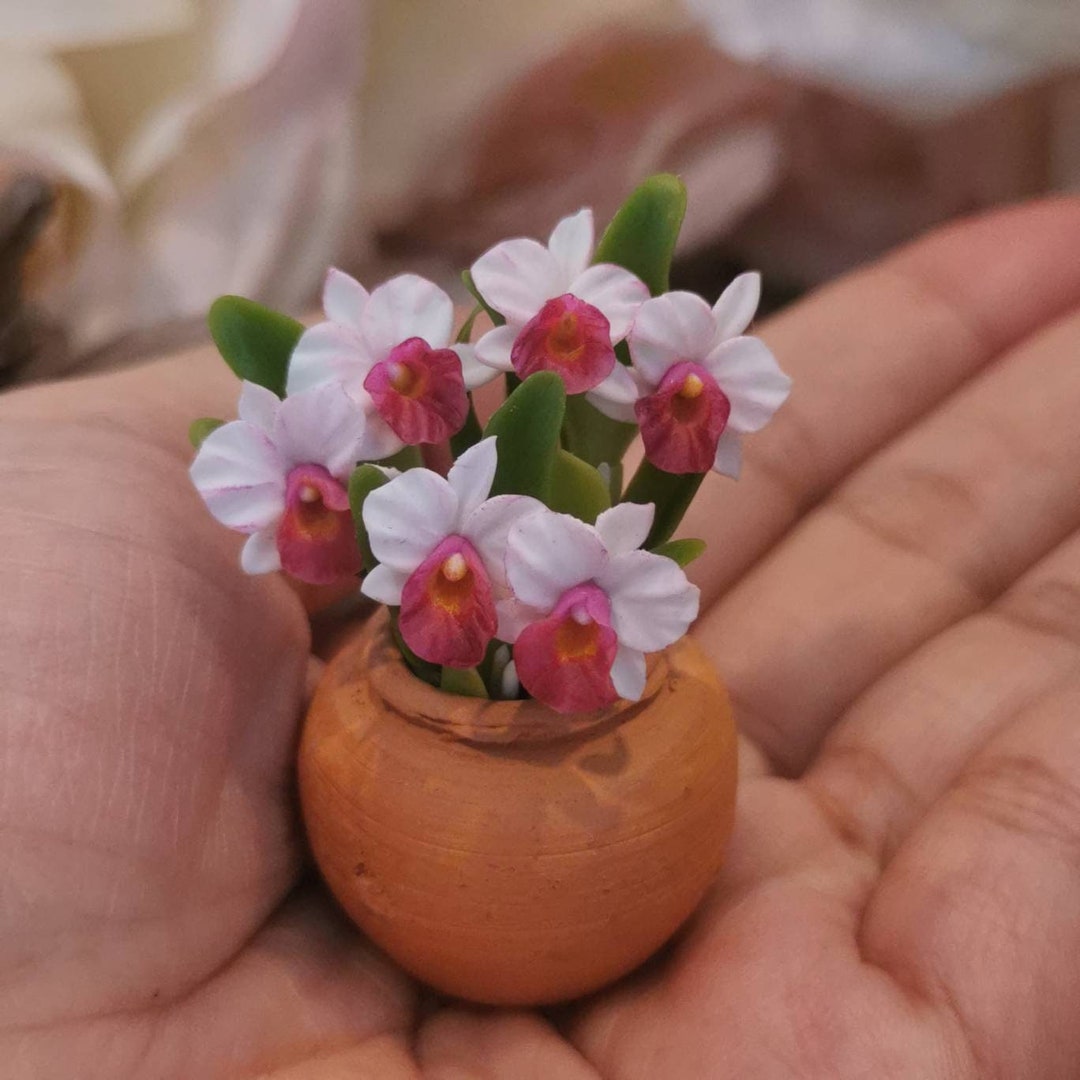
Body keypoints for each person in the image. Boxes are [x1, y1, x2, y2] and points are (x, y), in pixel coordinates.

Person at [2, 197, 1079, 1078]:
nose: (566, 349)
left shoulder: (555, 526)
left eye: (578, 334)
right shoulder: (396, 495)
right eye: (555, 334)